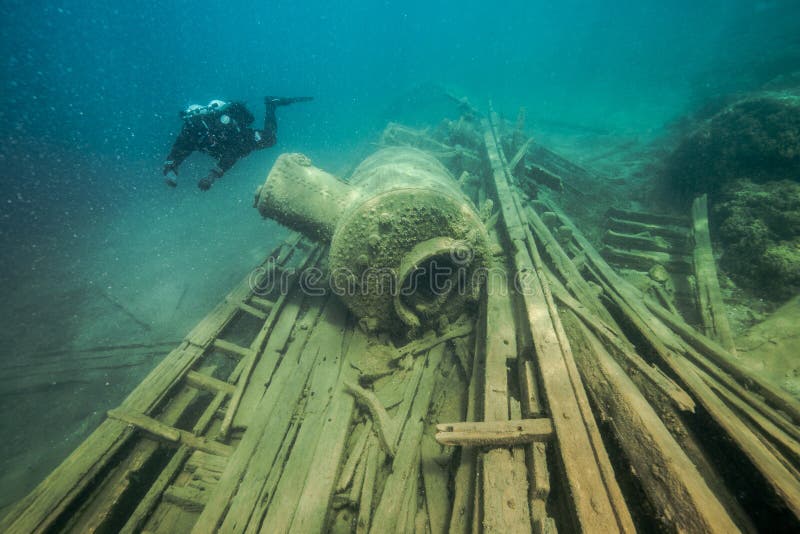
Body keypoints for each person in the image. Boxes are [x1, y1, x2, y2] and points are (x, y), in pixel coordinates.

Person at [162, 96, 313, 190]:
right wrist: (170, 170)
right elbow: (178, 150)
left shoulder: (220, 124)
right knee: (224, 150)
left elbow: (233, 152)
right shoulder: (190, 131)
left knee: (270, 139)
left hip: (242, 139)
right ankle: (271, 104)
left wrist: (212, 175)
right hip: (226, 147)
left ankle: (271, 105)